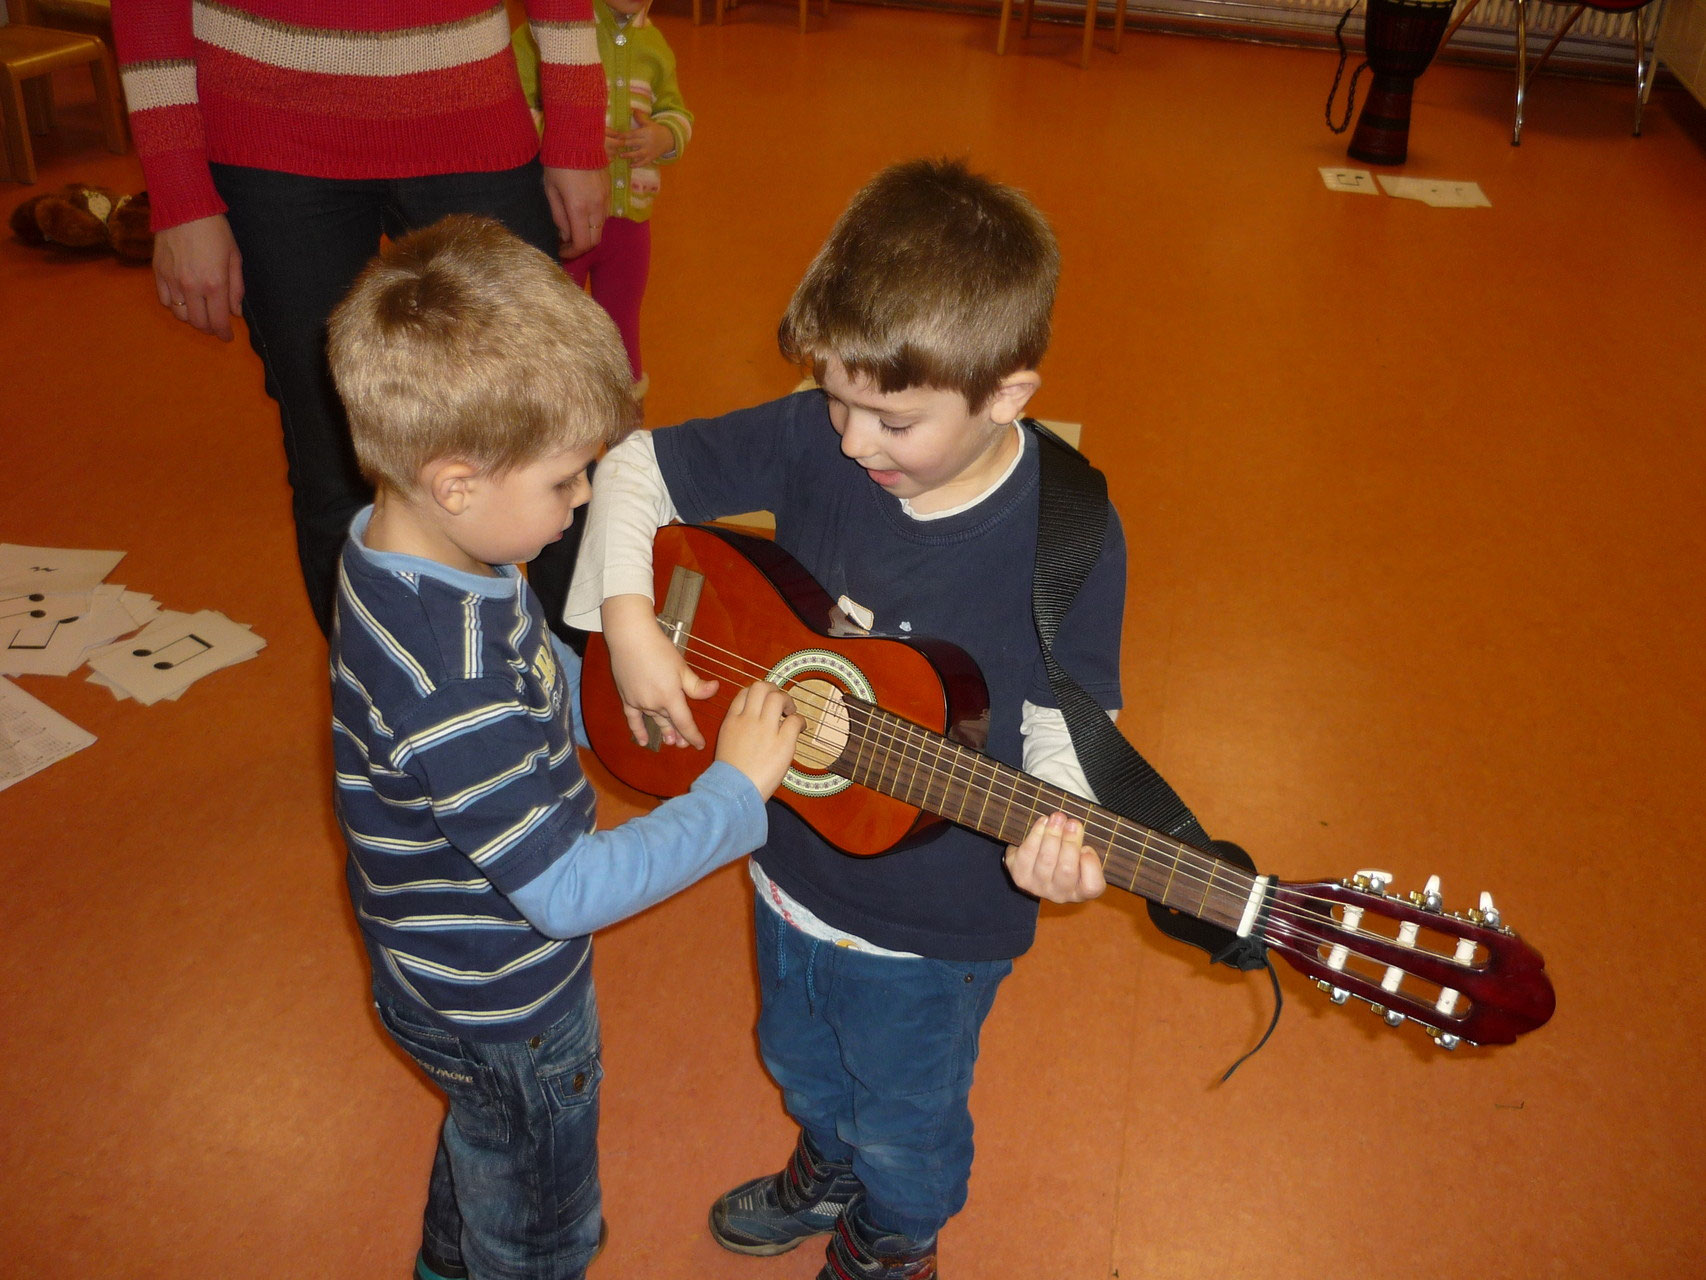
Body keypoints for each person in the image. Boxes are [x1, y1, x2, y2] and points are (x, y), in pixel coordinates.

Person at [564, 159, 1117, 1280]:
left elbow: (1074, 716)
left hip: (931, 923)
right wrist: (628, 618)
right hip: (786, 857)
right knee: (800, 1051)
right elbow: (634, 465)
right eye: (836, 399)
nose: (855, 441)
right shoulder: (827, 432)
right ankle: (825, 1159)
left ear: (1007, 393)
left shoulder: (1068, 535)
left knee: (905, 1111)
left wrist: (1066, 829)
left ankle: (893, 1232)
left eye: (894, 420)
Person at [323, 214, 804, 1280]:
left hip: (434, 968)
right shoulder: (452, 678)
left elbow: (529, 676)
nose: (584, 500)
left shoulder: (411, 549)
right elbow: (568, 888)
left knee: (484, 1161)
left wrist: (603, 703)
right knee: (539, 1234)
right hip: (508, 1006)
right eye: (563, 481)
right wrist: (732, 795)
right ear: (456, 481)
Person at [110, 1, 612, 641]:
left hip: (471, 116)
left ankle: (586, 685)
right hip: (270, 142)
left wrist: (575, 132)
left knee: (554, 424)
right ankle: (393, 708)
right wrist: (179, 193)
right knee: (335, 455)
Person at [514, 0, 694, 399]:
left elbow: (677, 113)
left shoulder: (656, 45)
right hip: (563, 219)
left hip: (630, 223)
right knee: (558, 325)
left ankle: (623, 430)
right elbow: (515, 111)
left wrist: (664, 136)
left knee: (622, 322)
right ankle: (559, 417)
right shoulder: (541, 33)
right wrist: (566, 135)